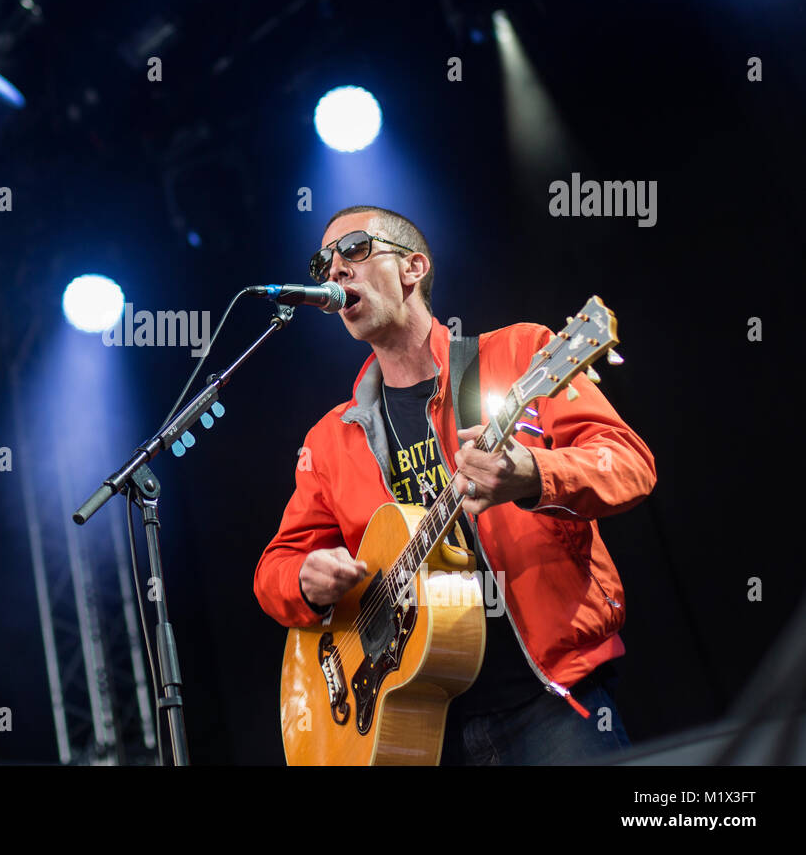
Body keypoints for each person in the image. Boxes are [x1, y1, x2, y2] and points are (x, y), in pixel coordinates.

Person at [253, 205, 657, 765]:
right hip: (418, 725)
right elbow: (275, 569)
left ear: (413, 267)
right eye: (325, 261)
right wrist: (304, 577)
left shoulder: (520, 354)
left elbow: (628, 463)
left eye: (355, 250)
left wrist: (534, 475)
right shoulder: (328, 440)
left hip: (548, 701)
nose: (335, 271)